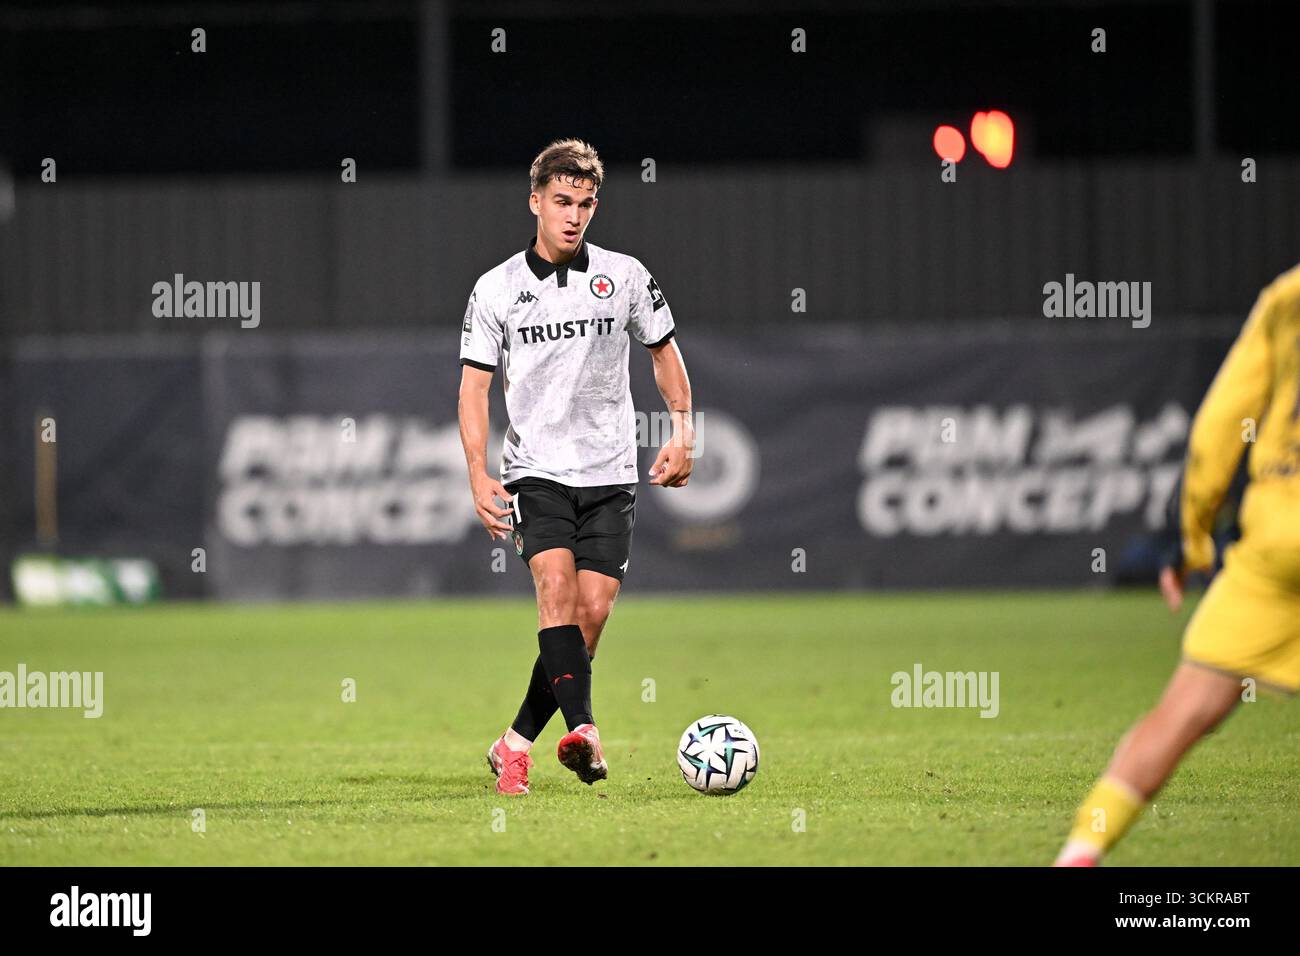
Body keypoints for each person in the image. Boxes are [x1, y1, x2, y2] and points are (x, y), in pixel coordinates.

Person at [457, 138, 694, 795]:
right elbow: (473, 387)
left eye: (585, 204)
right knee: (555, 593)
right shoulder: (497, 288)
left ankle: (512, 744)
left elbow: (663, 352)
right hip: (538, 472)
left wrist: (682, 431)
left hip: (611, 473)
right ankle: (585, 731)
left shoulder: (624, 276)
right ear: (535, 202)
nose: (574, 215)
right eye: (562, 202)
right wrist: (478, 471)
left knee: (589, 615)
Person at [1055, 264, 1300, 865]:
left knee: (1184, 711)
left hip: (1280, 537)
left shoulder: (1288, 295)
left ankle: (1080, 853)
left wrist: (1192, 540)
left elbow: (1219, 426)